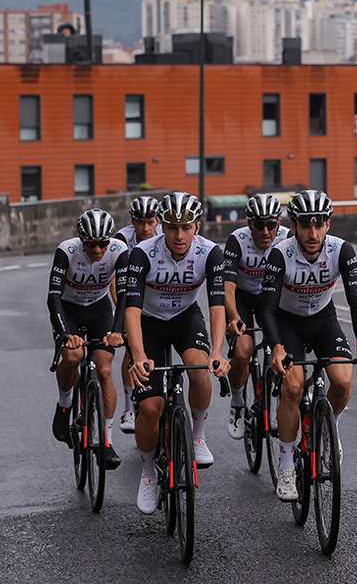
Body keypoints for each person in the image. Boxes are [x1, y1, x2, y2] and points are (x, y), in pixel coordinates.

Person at [258, 189, 357, 502]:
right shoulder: (280, 254)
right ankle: (286, 462)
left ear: (328, 224)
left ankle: (328, 429)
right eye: (305, 225)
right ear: (294, 225)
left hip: (323, 318)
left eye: (319, 224)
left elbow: (356, 302)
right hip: (288, 322)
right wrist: (277, 348)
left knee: (342, 381)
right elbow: (266, 308)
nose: (312, 233)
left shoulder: (342, 250)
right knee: (294, 388)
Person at [122, 192, 228, 515]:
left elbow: (217, 307)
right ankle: (149, 471)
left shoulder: (210, 253)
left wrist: (218, 352)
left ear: (196, 226)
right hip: (150, 324)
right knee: (151, 408)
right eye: (171, 227)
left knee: (199, 368)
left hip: (185, 318)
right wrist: (138, 355)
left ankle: (196, 436)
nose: (179, 235)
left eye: (185, 227)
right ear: (162, 227)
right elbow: (132, 312)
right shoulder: (142, 254)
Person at [47, 208, 128, 469]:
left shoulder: (118, 251)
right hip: (68, 309)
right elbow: (53, 296)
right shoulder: (67, 251)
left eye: (102, 243)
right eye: (91, 244)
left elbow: (126, 297)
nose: (97, 249)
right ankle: (65, 404)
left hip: (99, 309)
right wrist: (65, 334)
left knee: (104, 369)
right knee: (73, 356)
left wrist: (117, 331)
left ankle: (105, 440)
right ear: (82, 240)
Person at [221, 193, 289, 439]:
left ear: (278, 223)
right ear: (249, 224)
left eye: (271, 224)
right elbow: (227, 287)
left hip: (272, 299)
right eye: (259, 225)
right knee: (242, 350)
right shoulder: (237, 241)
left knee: (285, 348)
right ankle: (237, 402)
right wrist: (233, 317)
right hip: (244, 297)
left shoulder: (287, 239)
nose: (265, 231)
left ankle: (280, 402)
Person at [114, 195, 163, 434]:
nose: (146, 228)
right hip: (129, 295)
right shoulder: (122, 239)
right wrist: (123, 315)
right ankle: (129, 407)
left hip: (157, 295)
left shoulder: (167, 235)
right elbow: (116, 282)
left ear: (158, 221)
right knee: (131, 349)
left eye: (150, 222)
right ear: (132, 221)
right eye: (140, 222)